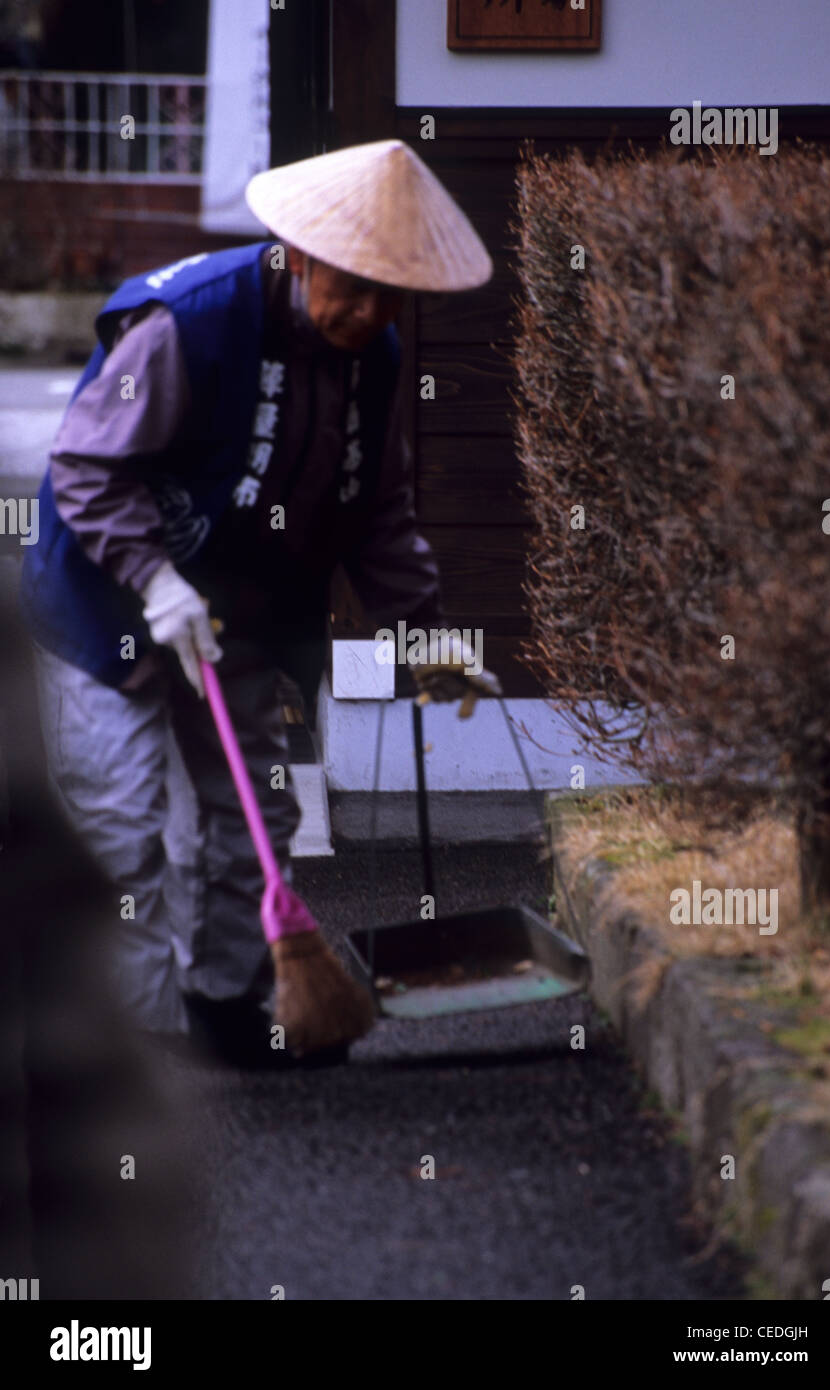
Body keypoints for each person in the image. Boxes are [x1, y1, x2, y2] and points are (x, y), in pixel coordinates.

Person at [19, 138, 500, 1064]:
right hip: (110, 598)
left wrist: (427, 641)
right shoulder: (190, 322)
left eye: (388, 293)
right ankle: (140, 1037)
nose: (367, 313)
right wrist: (155, 581)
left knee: (255, 817)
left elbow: (380, 512)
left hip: (237, 606)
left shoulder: (374, 354)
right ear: (305, 252)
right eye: (351, 287)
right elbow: (82, 465)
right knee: (121, 822)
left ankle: (229, 1001)